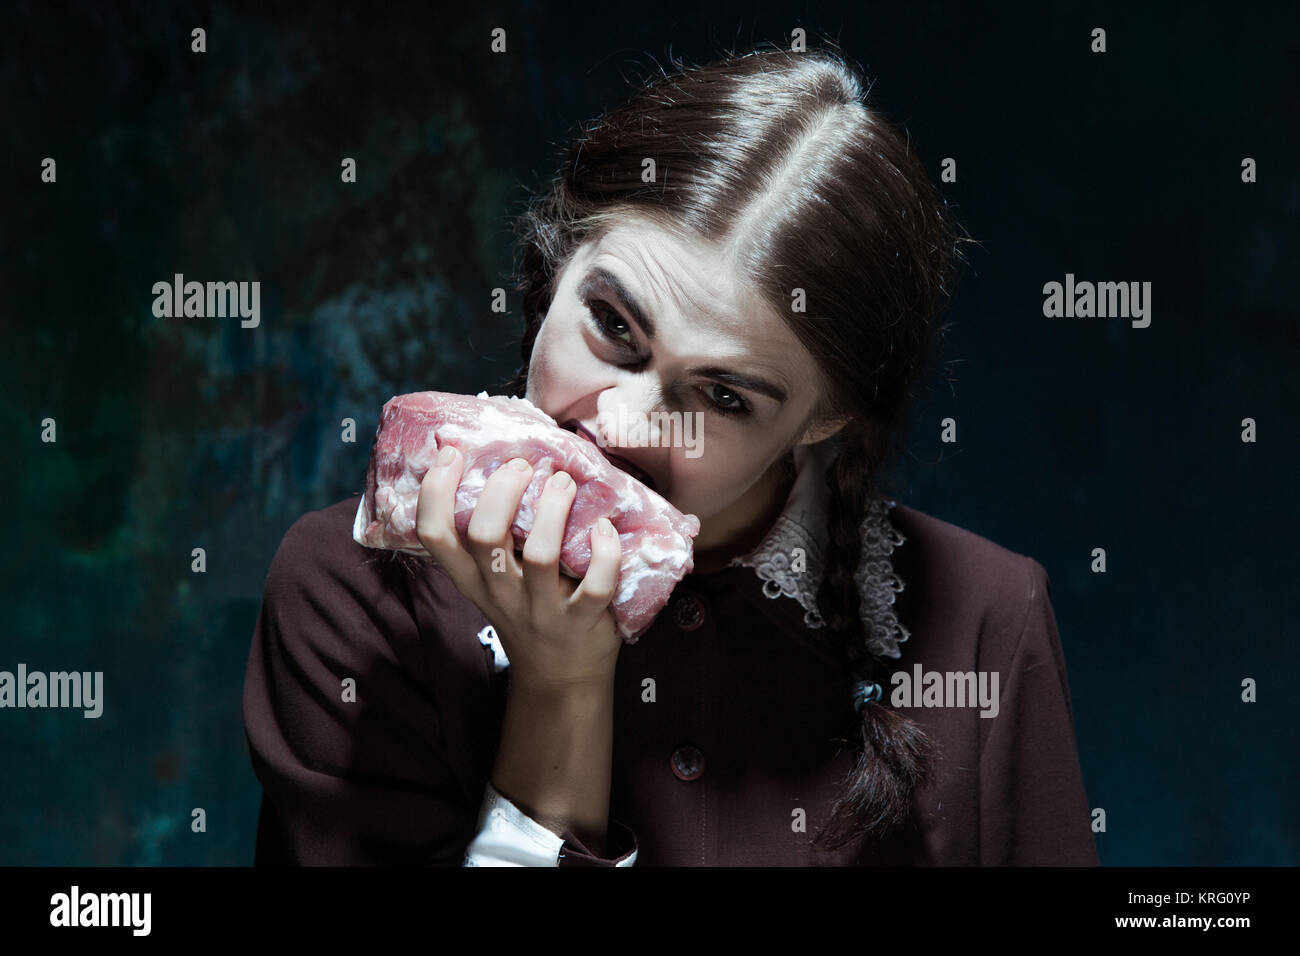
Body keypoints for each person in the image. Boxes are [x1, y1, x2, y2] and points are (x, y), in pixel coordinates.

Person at [242, 45, 1098, 866]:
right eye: (613, 325)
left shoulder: (985, 618)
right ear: (561, 254)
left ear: (824, 419)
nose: (624, 427)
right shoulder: (346, 594)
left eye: (722, 396)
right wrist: (561, 690)